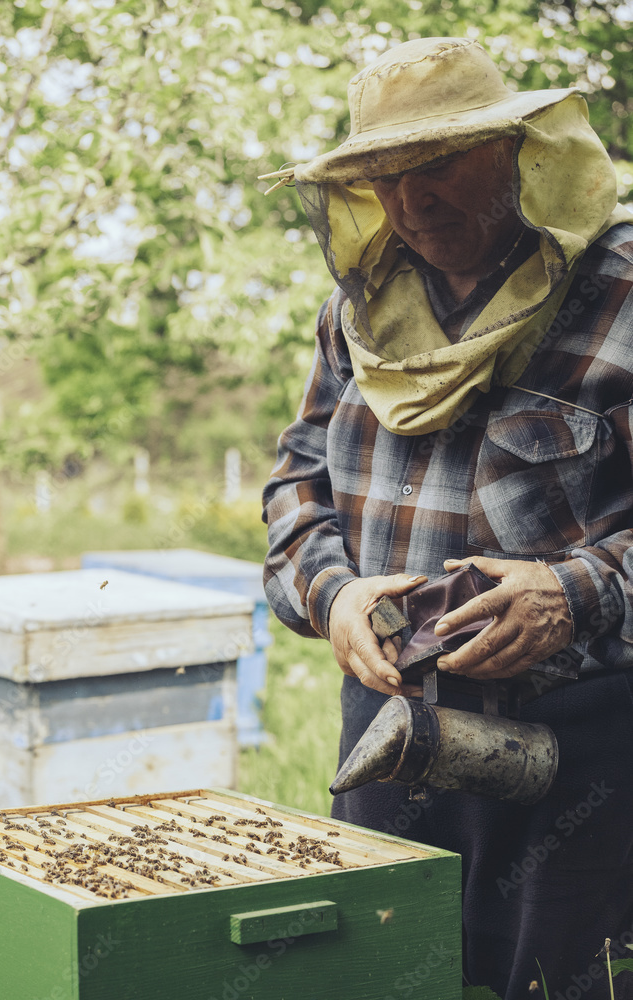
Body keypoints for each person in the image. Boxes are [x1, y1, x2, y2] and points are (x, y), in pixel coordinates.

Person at [262, 36, 633, 1000]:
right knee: (385, 979)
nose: (408, 205)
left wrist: (575, 590)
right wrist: (331, 595)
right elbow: (295, 482)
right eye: (381, 178)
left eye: (433, 167)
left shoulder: (623, 293)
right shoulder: (357, 308)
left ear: (516, 150)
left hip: (587, 758)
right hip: (389, 737)